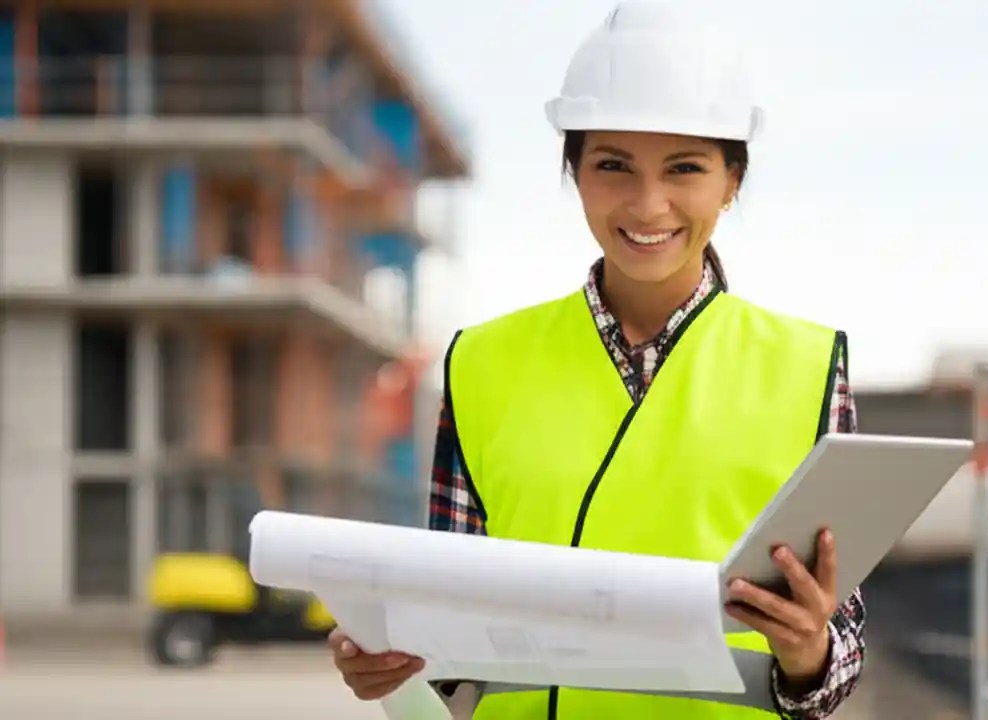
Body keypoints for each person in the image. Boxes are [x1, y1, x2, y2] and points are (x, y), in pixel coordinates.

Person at [327, 2, 866, 718]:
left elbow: (843, 643)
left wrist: (811, 657)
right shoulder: (482, 364)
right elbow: (454, 635)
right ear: (574, 172)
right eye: (614, 165)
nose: (648, 205)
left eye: (685, 168)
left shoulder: (807, 369)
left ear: (732, 181)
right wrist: (394, 664)